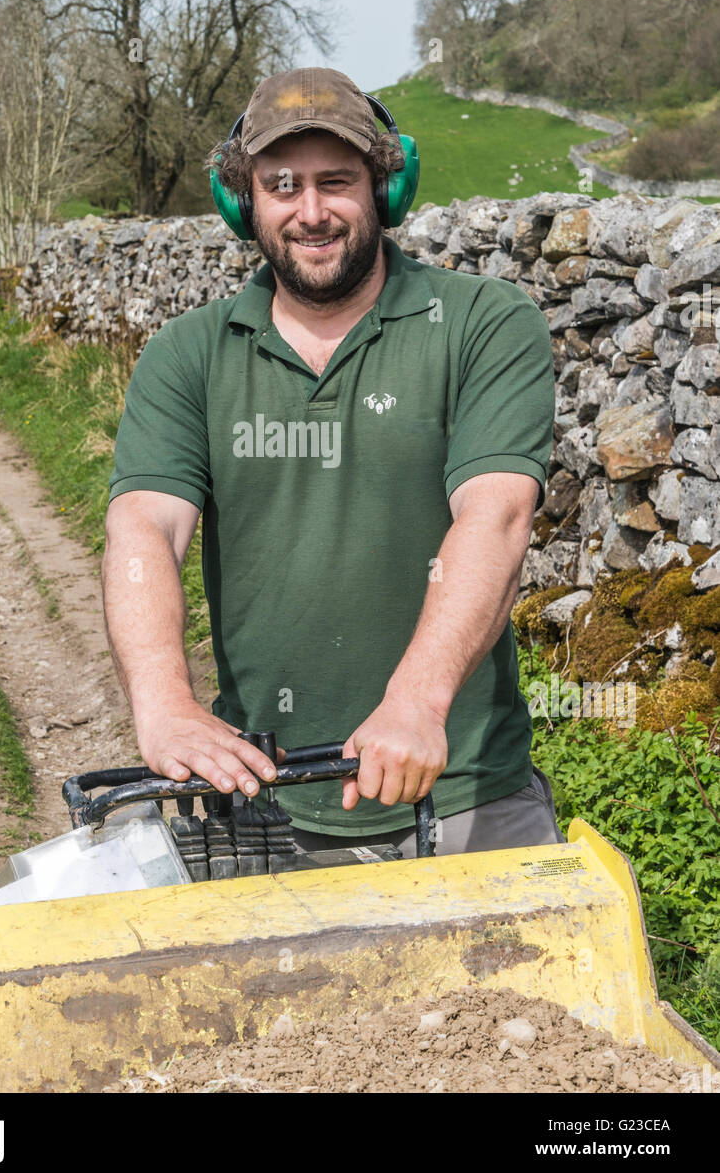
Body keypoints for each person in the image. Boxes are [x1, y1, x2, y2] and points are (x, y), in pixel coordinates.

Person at [102, 66, 564, 857]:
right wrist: (164, 703)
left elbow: (495, 514)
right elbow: (143, 525)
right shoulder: (188, 354)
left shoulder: (483, 323)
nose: (310, 212)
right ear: (242, 201)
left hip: (463, 794)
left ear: (385, 190)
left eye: (336, 182)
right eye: (282, 185)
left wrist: (417, 701)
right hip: (260, 795)